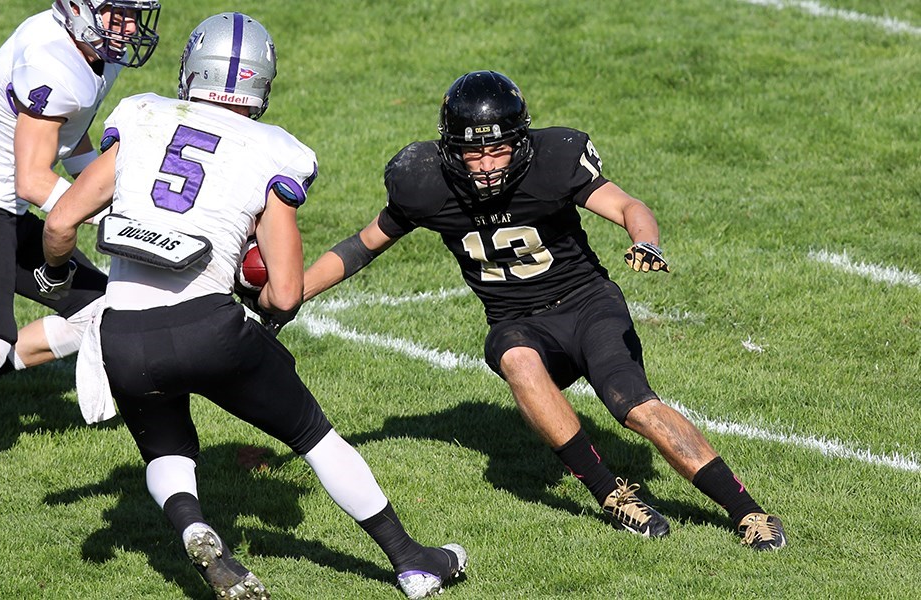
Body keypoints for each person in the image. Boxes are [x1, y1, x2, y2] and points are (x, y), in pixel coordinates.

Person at [39, 13, 468, 599]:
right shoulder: (274, 150)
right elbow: (286, 292)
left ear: (193, 68)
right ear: (260, 84)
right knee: (315, 437)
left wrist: (58, 276)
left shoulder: (142, 115)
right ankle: (411, 561)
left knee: (166, 446)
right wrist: (252, 296)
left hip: (125, 337)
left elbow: (62, 220)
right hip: (208, 329)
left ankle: (193, 526)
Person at [297, 70, 787, 551]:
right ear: (451, 150)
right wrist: (294, 293)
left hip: (587, 304)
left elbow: (627, 206)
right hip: (520, 324)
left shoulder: (554, 162)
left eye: (497, 149)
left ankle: (748, 511)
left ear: (521, 142)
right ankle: (611, 494)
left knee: (634, 405)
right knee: (515, 359)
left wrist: (646, 241)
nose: (487, 164)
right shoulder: (424, 184)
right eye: (473, 152)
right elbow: (361, 247)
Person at [0, 0, 161, 459]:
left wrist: (114, 192)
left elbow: (70, 136)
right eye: (117, 12)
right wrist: (106, 217)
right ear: (78, 9)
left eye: (135, 13)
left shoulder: (94, 51)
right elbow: (32, 181)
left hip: (6, 211)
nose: (128, 26)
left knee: (105, 311)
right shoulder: (50, 59)